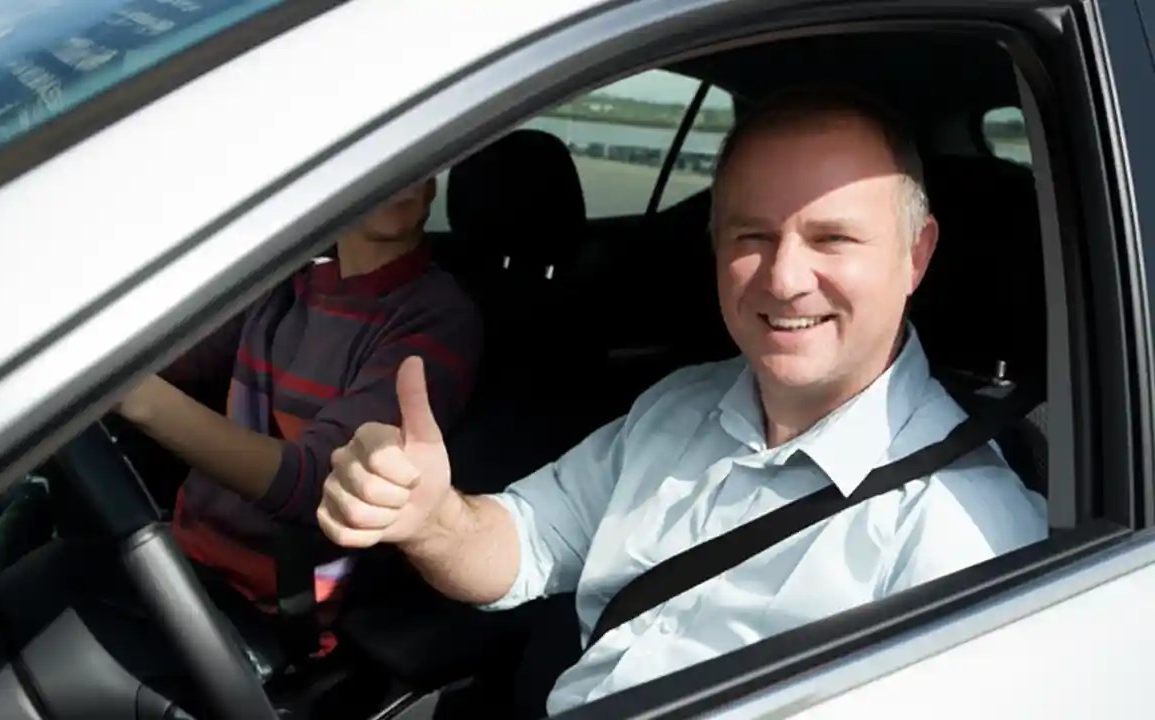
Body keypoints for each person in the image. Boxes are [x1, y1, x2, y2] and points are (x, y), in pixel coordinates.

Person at [316, 88, 1048, 713]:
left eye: (831, 238)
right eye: (753, 235)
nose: (784, 278)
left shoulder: (964, 533)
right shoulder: (678, 406)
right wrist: (430, 517)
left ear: (916, 255)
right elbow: (525, 545)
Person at [114, 178, 483, 637]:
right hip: (178, 556)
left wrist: (140, 399)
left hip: (272, 608)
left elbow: (320, 483)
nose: (402, 182)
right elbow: (178, 361)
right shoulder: (289, 284)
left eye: (419, 167)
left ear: (431, 186)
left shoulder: (437, 317)